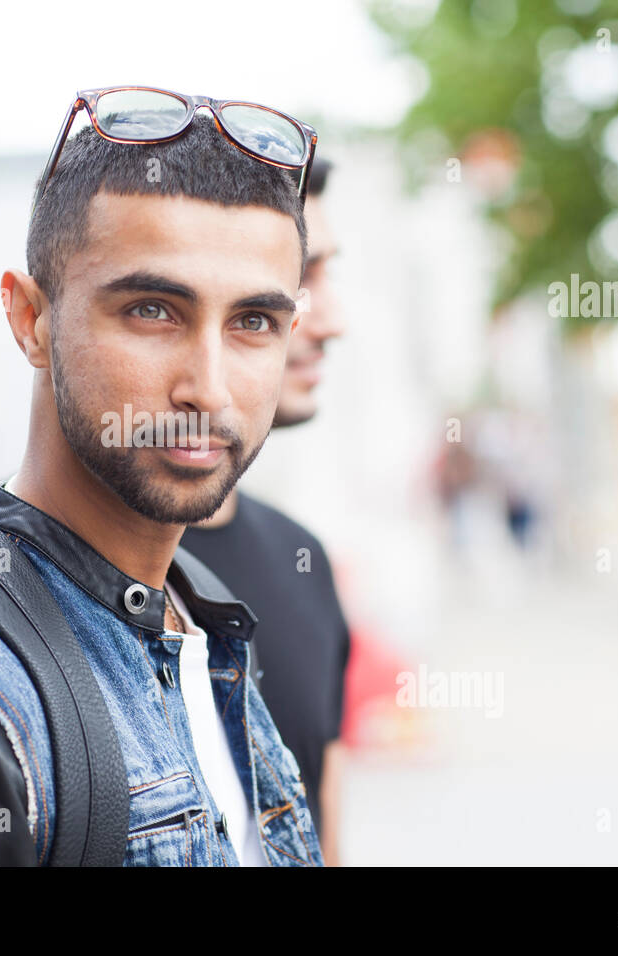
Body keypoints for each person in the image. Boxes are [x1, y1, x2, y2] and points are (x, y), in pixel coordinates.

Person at [0, 89, 326, 866]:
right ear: (31, 320)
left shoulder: (197, 617)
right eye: (153, 310)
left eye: (253, 321)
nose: (208, 389)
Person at [178, 156, 352, 864]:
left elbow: (324, 826)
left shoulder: (303, 559)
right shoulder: (12, 582)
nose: (332, 321)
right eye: (301, 280)